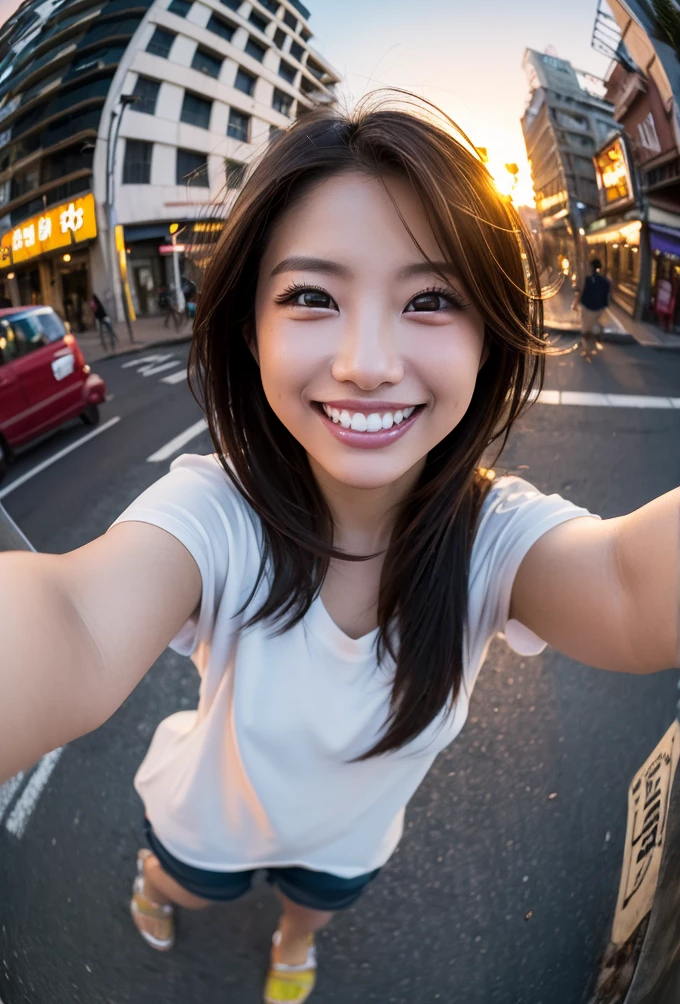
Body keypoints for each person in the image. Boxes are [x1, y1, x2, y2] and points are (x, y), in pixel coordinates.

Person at [1, 97, 679, 1004]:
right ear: (253, 330)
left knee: (312, 909)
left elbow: (632, 590)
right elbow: (73, 622)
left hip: (349, 845)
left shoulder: (496, 538)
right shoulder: (216, 512)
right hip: (206, 825)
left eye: (431, 300)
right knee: (174, 880)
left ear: (486, 336)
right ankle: (153, 887)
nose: (367, 360)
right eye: (312, 297)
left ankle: (291, 944)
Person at [575, 258, 611, 360]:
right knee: (593, 326)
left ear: (591, 267)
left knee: (586, 329)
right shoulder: (605, 281)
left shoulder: (588, 280)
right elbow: (606, 297)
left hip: (587, 307)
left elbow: (583, 293)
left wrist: (578, 303)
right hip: (599, 308)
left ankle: (587, 350)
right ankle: (593, 343)